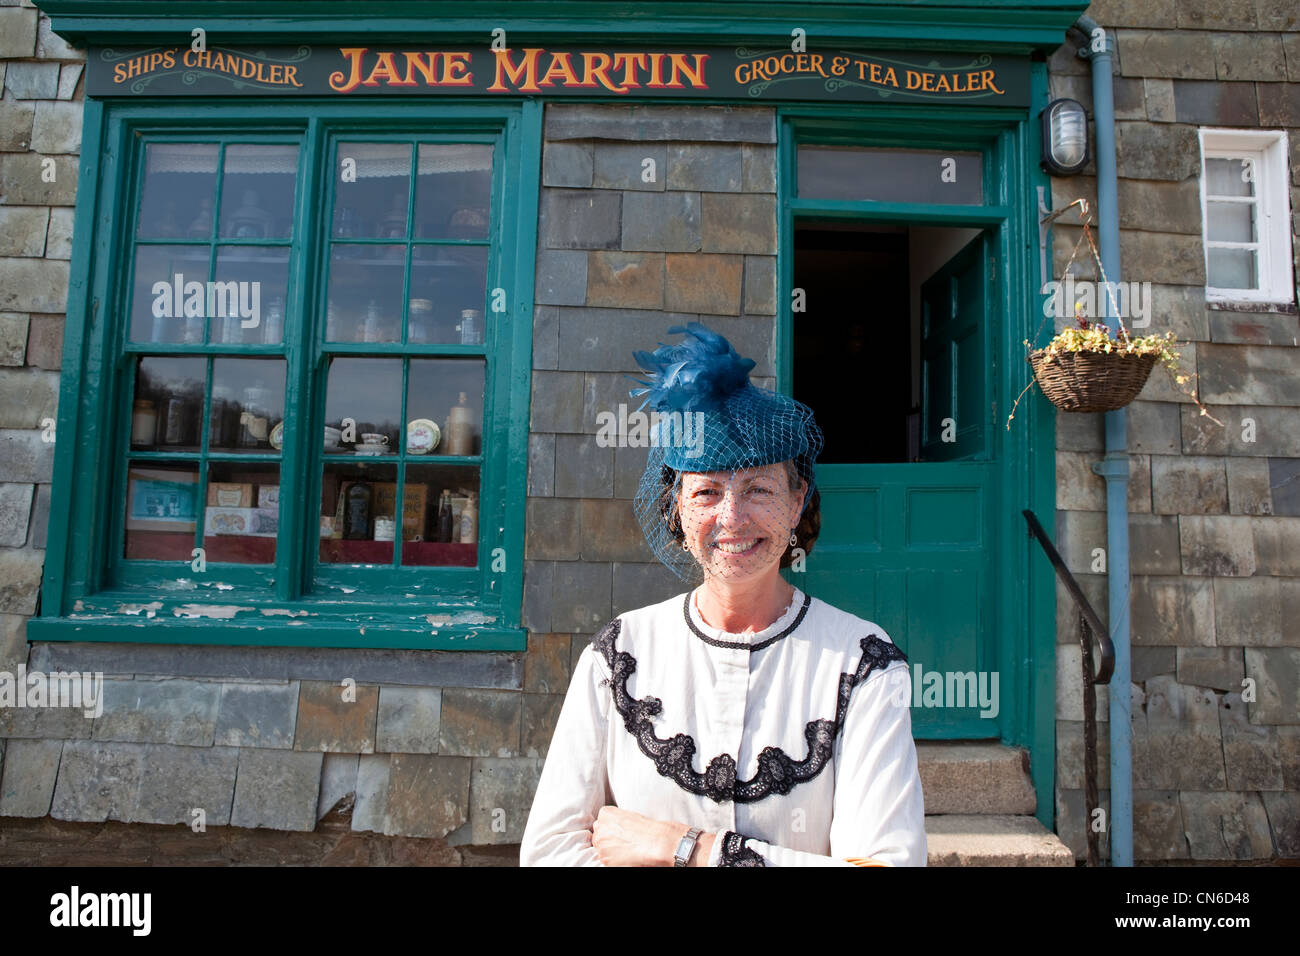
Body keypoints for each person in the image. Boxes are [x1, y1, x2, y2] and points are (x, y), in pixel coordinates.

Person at [519, 322, 926, 866]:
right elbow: (548, 855)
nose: (732, 518)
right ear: (677, 509)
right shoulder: (618, 655)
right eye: (707, 491)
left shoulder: (863, 663)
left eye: (759, 488)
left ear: (798, 500)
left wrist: (687, 850)